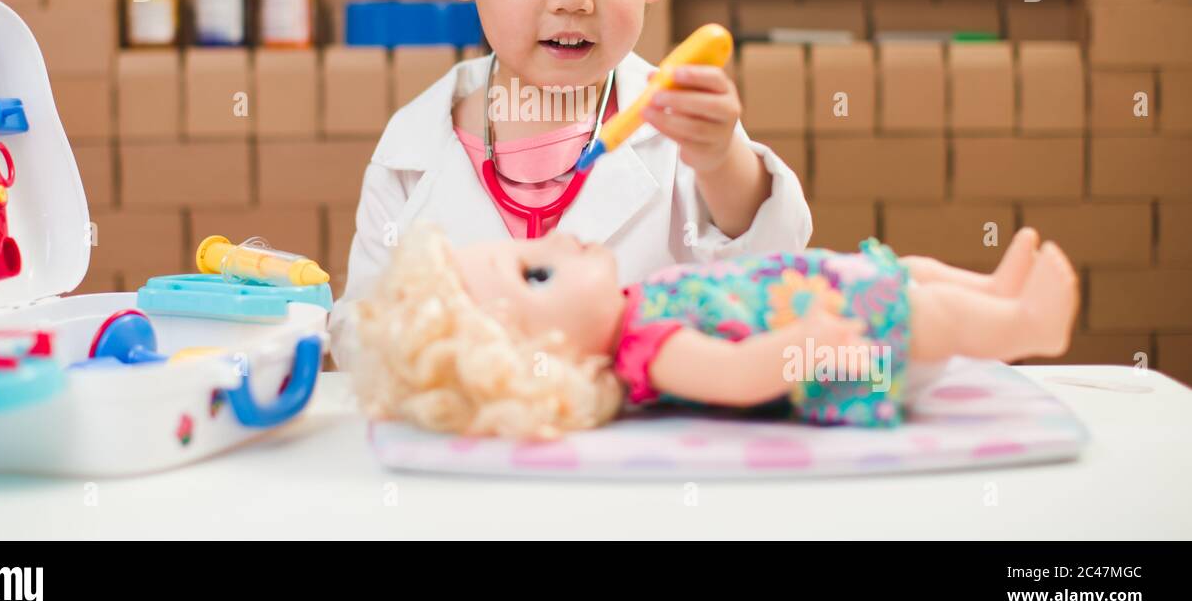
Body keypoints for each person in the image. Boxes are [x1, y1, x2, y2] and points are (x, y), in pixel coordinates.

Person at [331, 0, 811, 364]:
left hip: (639, 443)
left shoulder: (675, 129)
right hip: (476, 439)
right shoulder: (412, 148)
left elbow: (769, 268)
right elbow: (362, 332)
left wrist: (718, 159)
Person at [351, 226, 1079, 440]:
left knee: (915, 266)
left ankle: (993, 291)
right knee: (929, 317)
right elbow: (736, 377)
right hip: (848, 340)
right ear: (550, 360)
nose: (560, 243)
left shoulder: (638, 304)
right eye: (536, 277)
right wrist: (809, 345)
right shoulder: (647, 351)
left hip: (833, 292)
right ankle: (1019, 327)